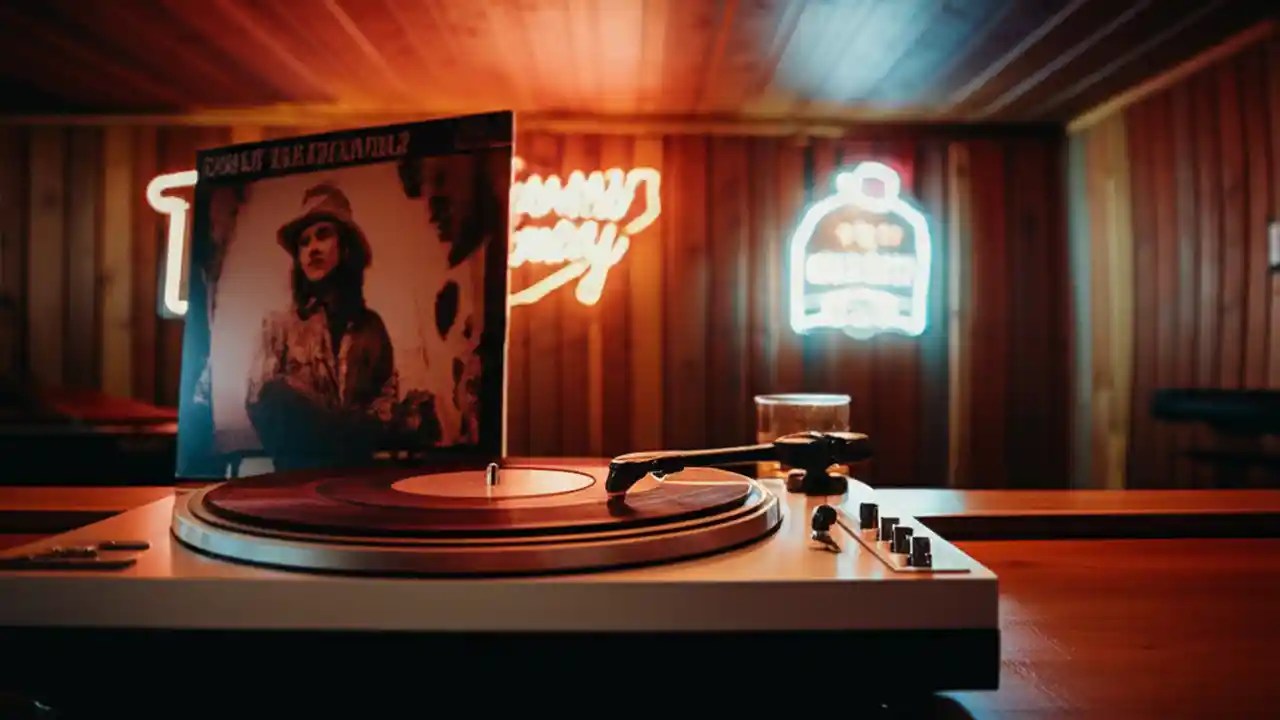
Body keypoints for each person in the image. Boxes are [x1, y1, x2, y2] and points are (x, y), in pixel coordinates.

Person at [245, 182, 398, 470]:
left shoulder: (372, 328)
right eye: (304, 242)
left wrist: (359, 429)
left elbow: (386, 405)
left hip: (357, 478)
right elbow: (262, 405)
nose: (312, 249)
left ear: (345, 247)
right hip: (297, 478)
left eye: (323, 235)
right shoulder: (277, 327)